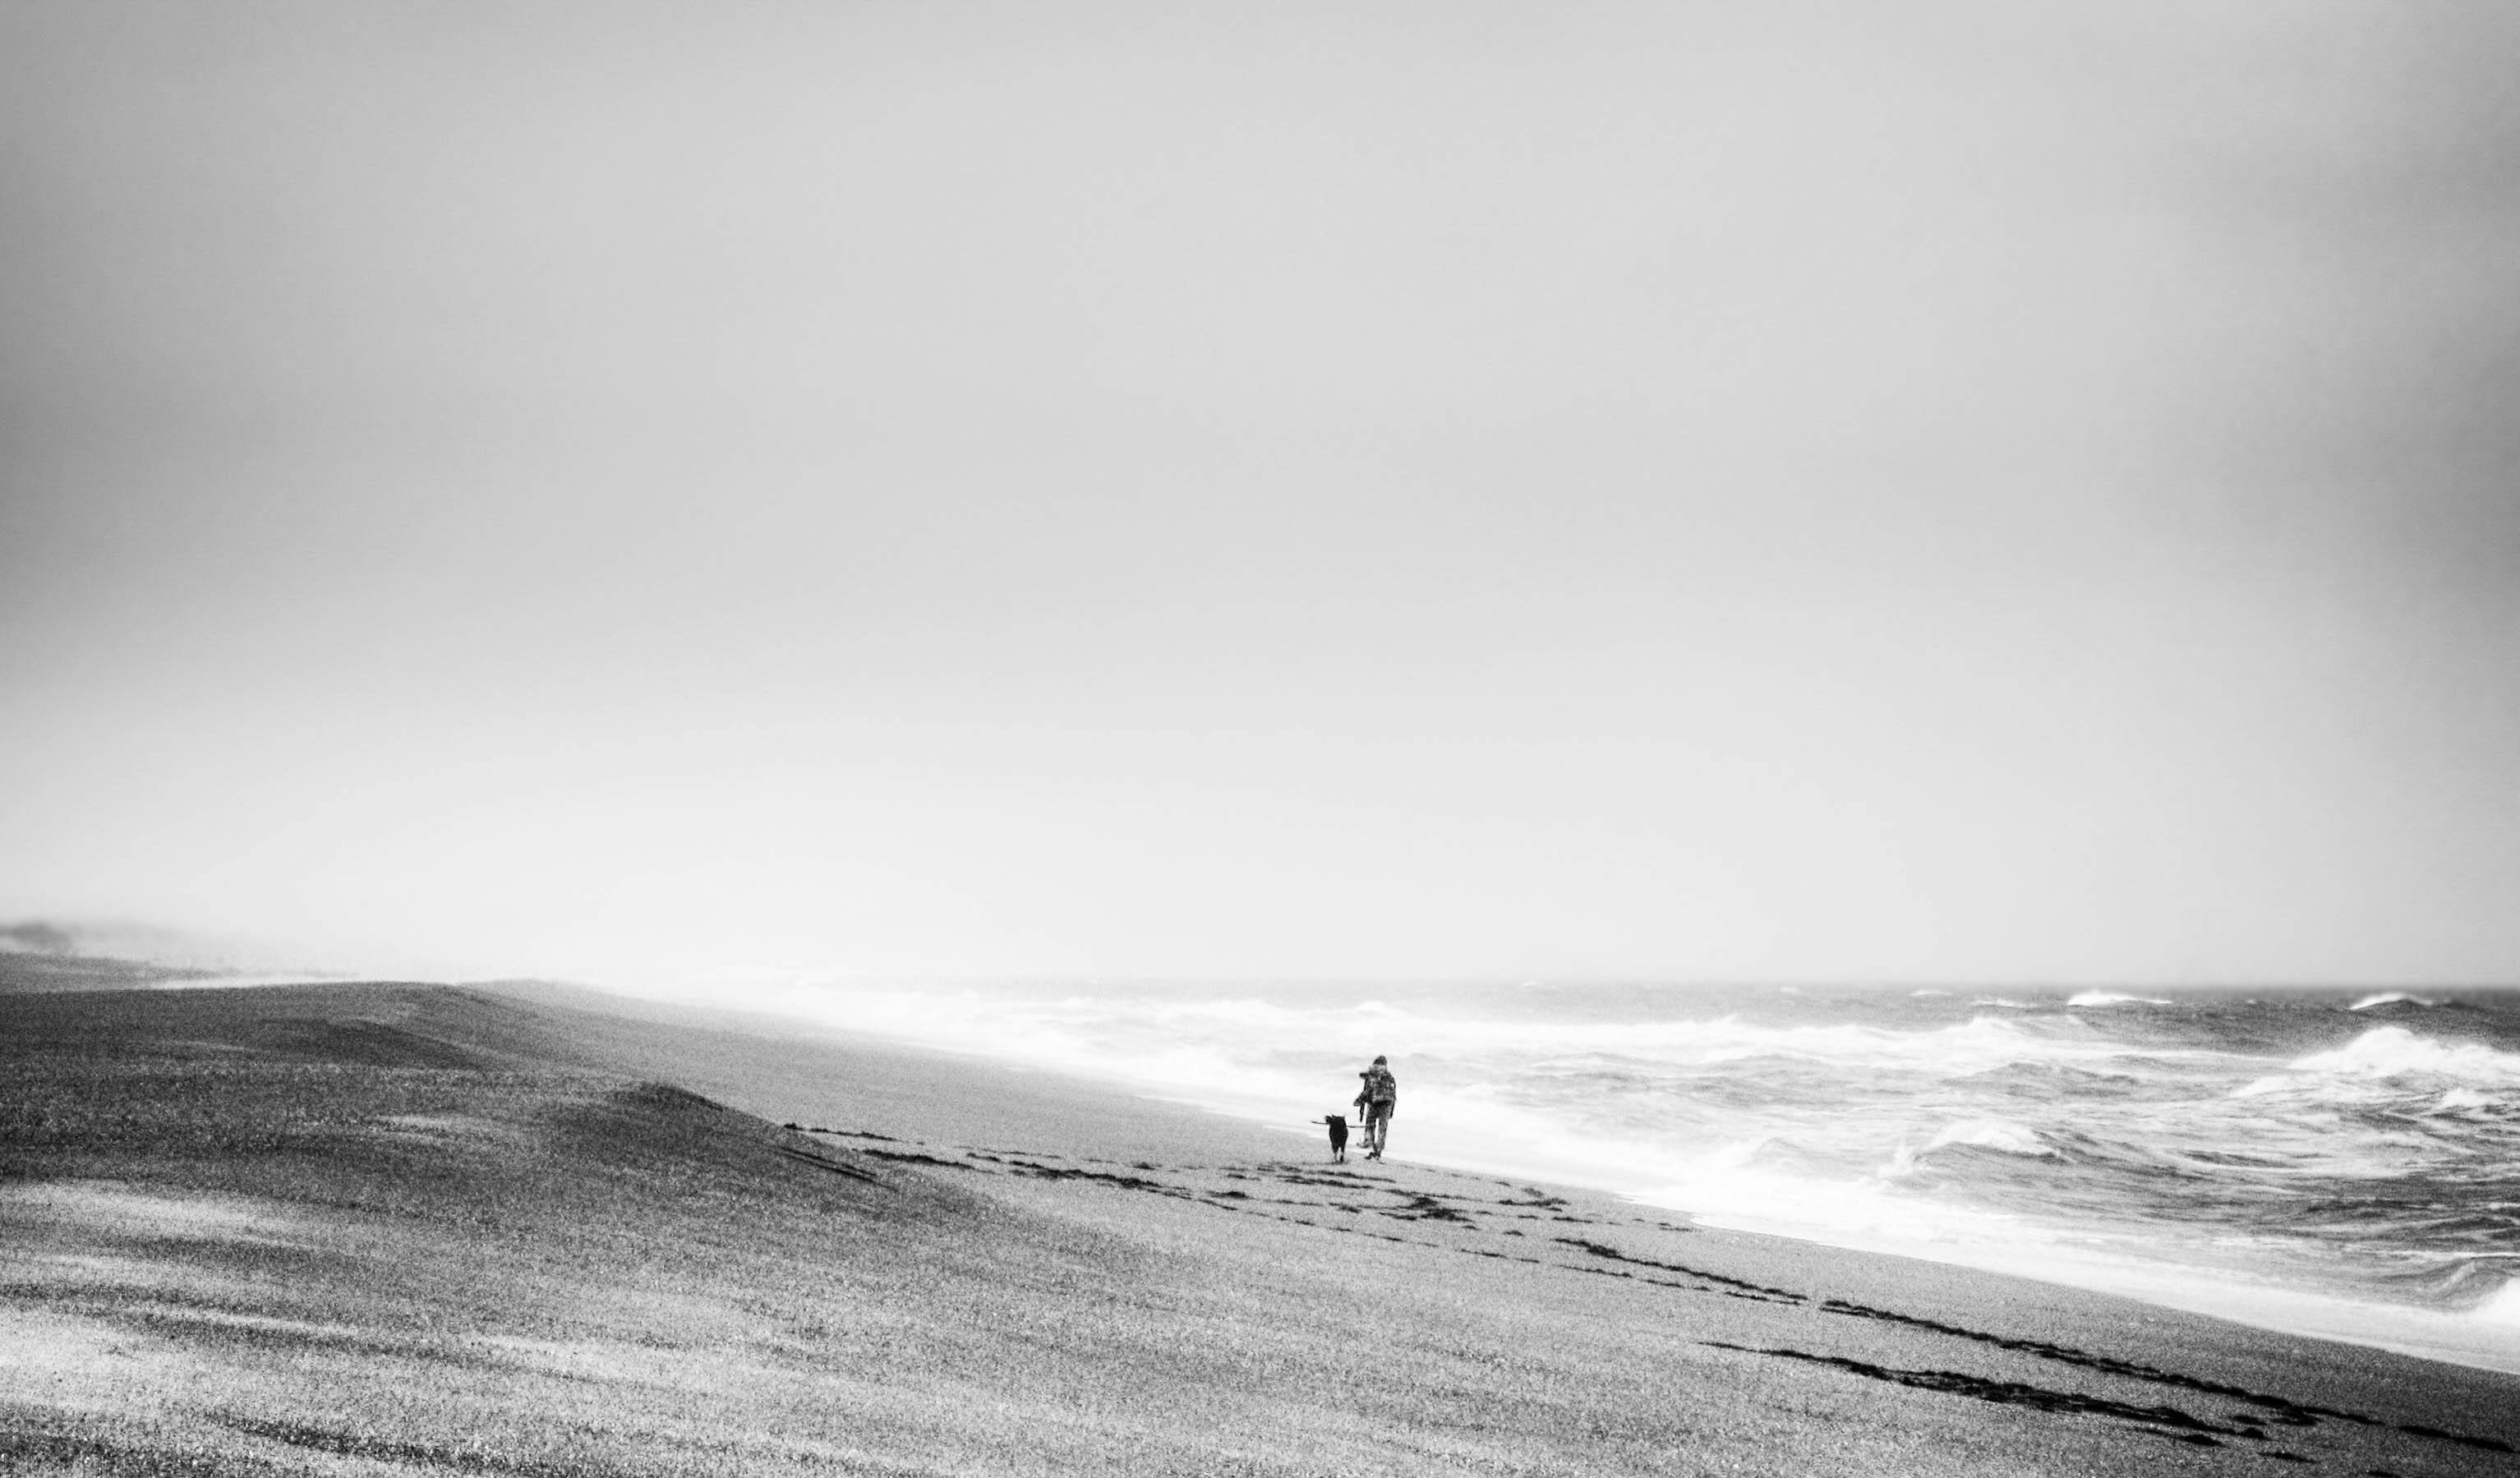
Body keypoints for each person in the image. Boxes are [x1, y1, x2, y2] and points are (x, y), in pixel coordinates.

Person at [1352, 1054, 1396, 1160]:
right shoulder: (1390, 1077)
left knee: (1370, 1123)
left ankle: (1368, 1142)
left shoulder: (1372, 1074)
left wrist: (1359, 1101)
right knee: (1382, 1128)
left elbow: (1367, 1090)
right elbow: (1393, 1095)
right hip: (1387, 1104)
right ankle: (1378, 1150)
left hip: (1374, 1102)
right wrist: (1391, 1112)